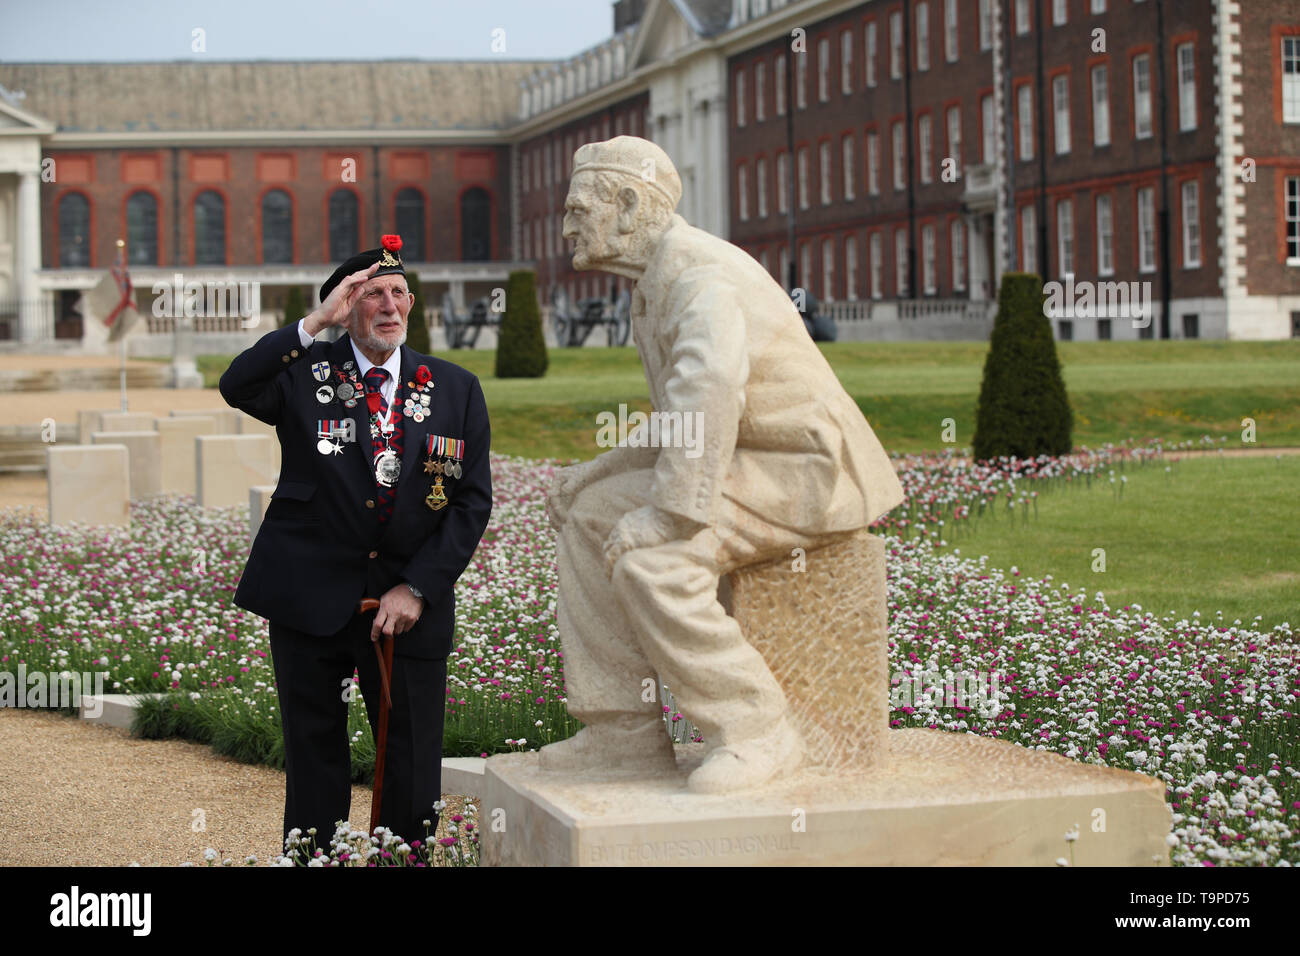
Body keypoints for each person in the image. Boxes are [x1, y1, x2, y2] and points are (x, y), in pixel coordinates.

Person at [541, 137, 904, 793]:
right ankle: (622, 732)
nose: (566, 226)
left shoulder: (699, 279)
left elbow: (708, 389)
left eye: (576, 209)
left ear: (625, 207)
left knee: (658, 560)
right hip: (746, 453)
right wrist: (591, 477)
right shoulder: (656, 284)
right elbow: (685, 414)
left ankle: (757, 730)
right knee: (591, 516)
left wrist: (672, 515)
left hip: (806, 468)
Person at [218, 234, 492, 853]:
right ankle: (316, 861)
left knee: (413, 755)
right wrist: (314, 324)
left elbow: (470, 501)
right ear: (346, 307)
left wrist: (417, 587)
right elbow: (237, 384)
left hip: (408, 606)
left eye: (398, 293)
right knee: (314, 751)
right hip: (308, 596)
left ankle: (405, 861)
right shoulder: (305, 375)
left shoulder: (454, 387)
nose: (389, 306)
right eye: (371, 295)